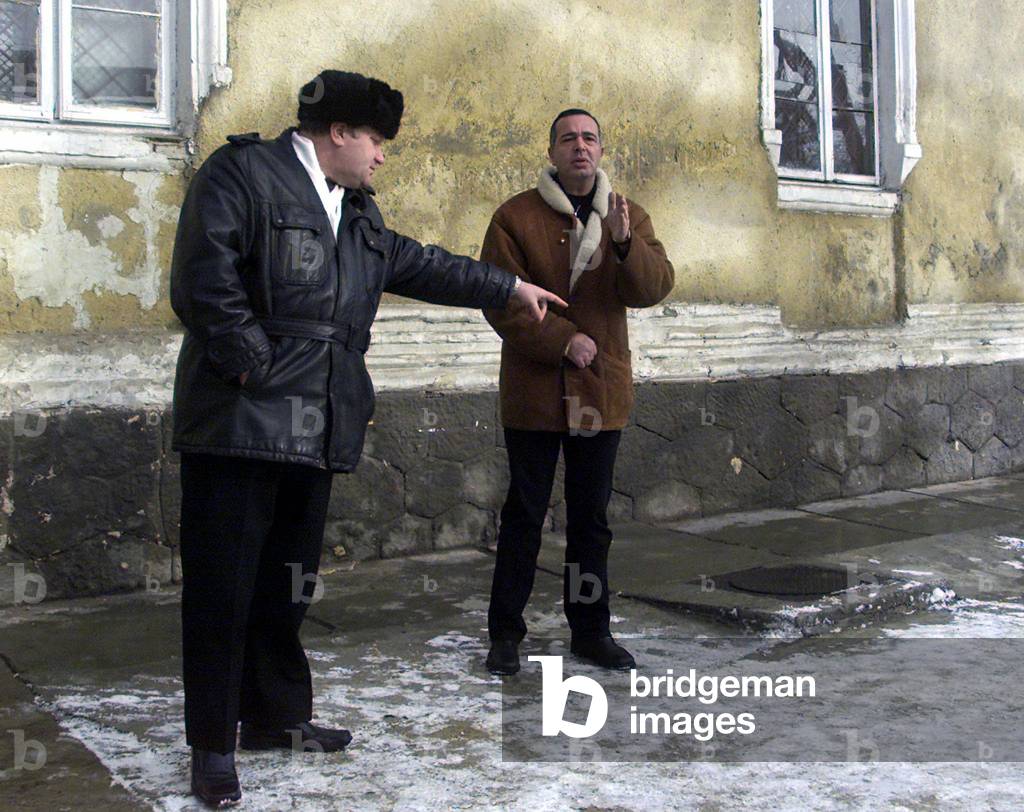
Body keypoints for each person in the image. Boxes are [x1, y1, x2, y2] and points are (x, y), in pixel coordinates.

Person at [169, 70, 566, 807]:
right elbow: (202, 282)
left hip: (317, 423)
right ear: (341, 132)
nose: (382, 156)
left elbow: (422, 264)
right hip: (238, 423)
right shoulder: (241, 173)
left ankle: (277, 719)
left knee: (287, 586)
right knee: (223, 592)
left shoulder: (357, 215)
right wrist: (255, 366)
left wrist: (509, 288)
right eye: (377, 140)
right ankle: (212, 746)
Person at [481, 108, 675, 676]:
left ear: (601, 149)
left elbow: (654, 286)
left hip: (600, 389)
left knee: (591, 520)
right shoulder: (515, 217)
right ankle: (505, 635)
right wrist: (563, 340)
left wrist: (622, 245)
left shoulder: (628, 215)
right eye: (568, 139)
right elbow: (498, 298)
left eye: (589, 138)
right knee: (525, 513)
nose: (580, 147)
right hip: (535, 390)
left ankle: (591, 632)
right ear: (552, 152)